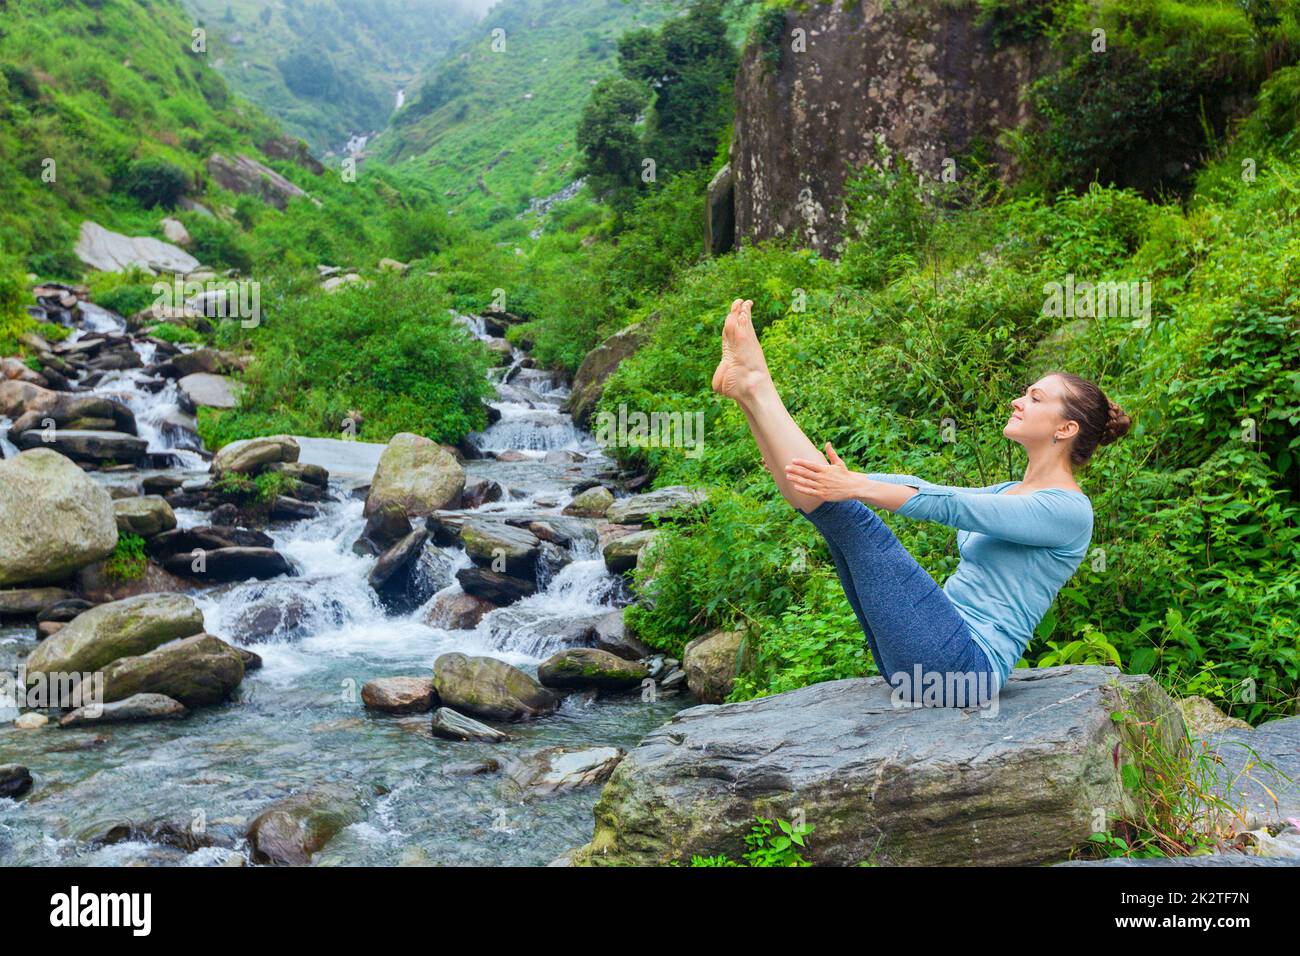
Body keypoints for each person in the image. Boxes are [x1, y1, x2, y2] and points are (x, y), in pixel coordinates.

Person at [711, 298, 1132, 707]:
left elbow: (951, 505)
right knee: (832, 505)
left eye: (1036, 398)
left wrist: (853, 487)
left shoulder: (1070, 511)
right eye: (1025, 393)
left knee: (850, 515)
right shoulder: (1008, 491)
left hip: (964, 670)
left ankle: (756, 384)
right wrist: (842, 478)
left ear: (1066, 428)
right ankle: (748, 395)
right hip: (930, 657)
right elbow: (924, 486)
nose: (1018, 401)